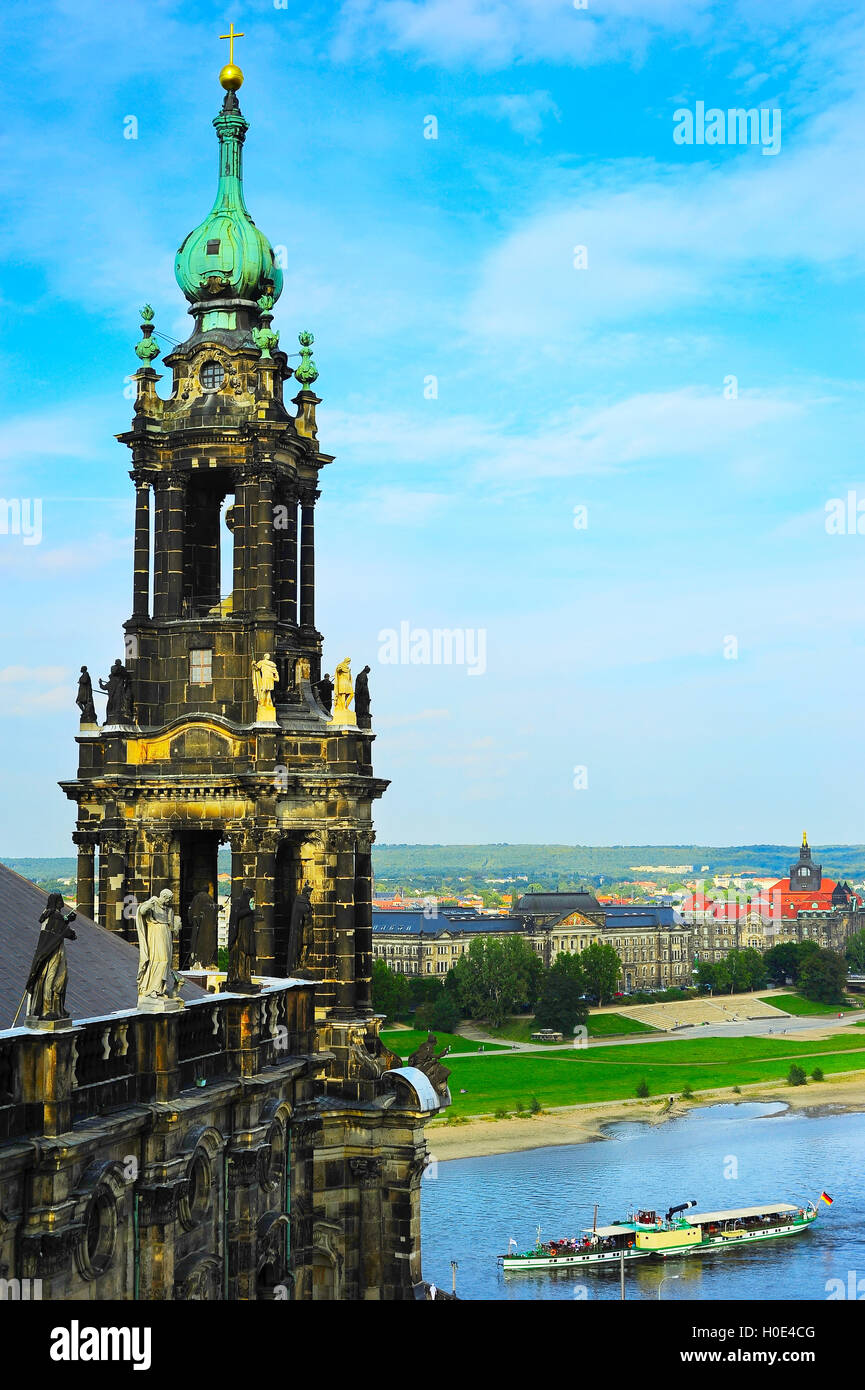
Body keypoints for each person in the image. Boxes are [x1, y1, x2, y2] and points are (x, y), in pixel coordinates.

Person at [26, 894, 77, 1020]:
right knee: (52, 978)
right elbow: (66, 931)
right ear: (56, 902)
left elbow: (62, 924)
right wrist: (68, 922)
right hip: (52, 953)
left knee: (61, 978)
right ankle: (47, 1009)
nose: (63, 903)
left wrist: (67, 920)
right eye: (60, 901)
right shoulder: (53, 916)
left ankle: (56, 1008)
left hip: (55, 950)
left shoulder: (51, 916)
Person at [135, 889, 181, 1001]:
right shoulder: (153, 903)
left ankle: (160, 989)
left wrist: (177, 925)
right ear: (164, 896)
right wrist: (149, 904)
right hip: (155, 935)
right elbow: (142, 911)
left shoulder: (168, 910)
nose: (170, 901)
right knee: (160, 960)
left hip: (166, 936)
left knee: (166, 962)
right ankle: (152, 989)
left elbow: (172, 928)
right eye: (169, 899)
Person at [226, 886, 259, 992]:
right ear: (246, 895)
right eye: (250, 896)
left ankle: (246, 977)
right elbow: (236, 915)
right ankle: (240, 977)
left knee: (247, 956)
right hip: (240, 935)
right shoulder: (238, 902)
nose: (250, 898)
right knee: (241, 955)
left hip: (247, 934)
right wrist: (249, 911)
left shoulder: (246, 904)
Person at [188, 888, 217, 968]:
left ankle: (196, 959)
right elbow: (214, 908)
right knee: (205, 943)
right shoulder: (208, 898)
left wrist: (191, 920)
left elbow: (190, 912)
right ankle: (204, 961)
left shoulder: (196, 898)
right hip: (206, 927)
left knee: (195, 943)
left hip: (197, 925)